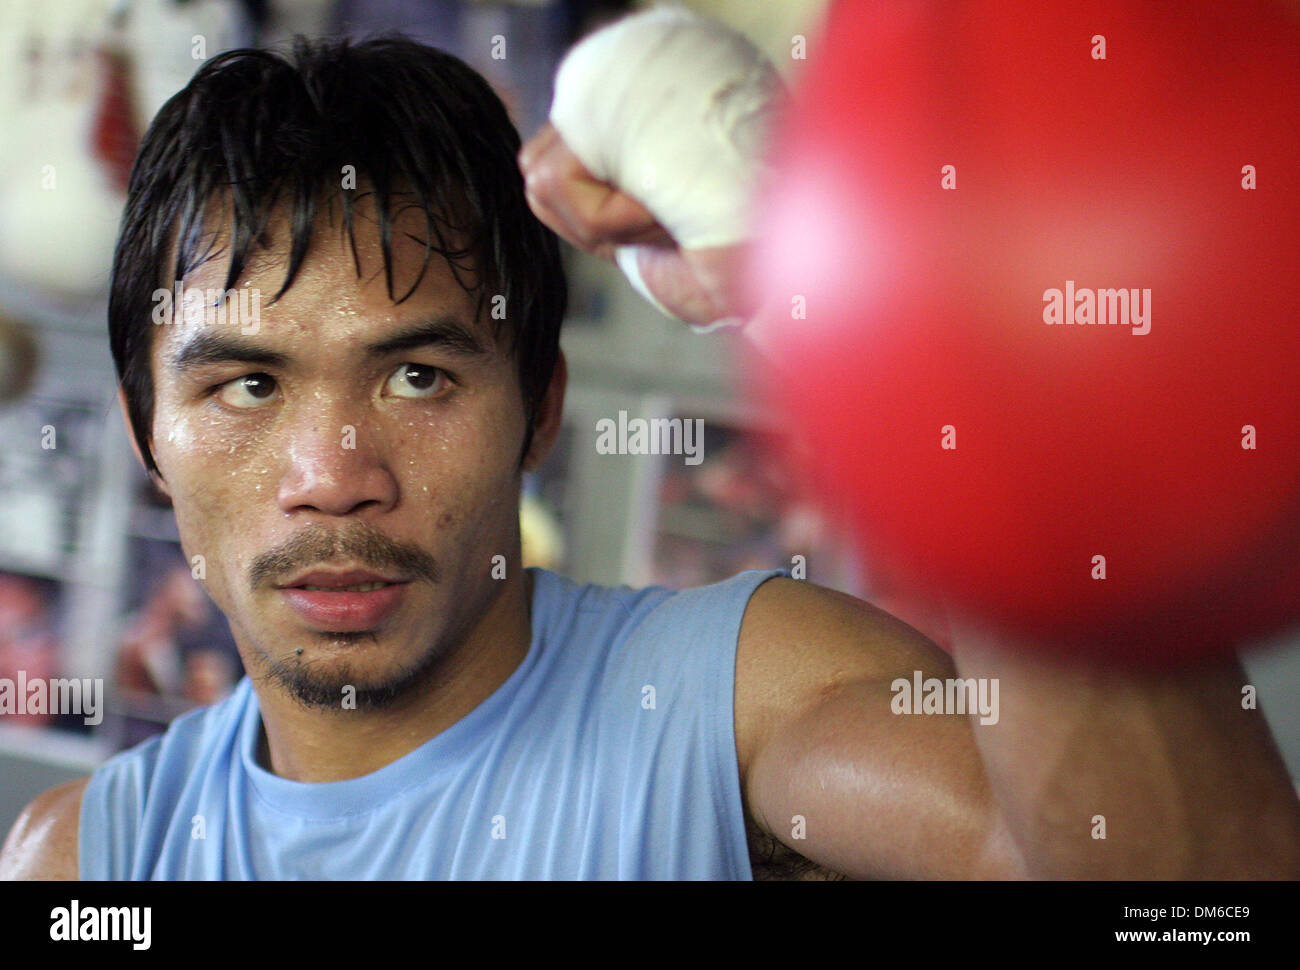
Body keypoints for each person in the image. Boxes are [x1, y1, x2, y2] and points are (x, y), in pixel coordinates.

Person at [2, 30, 1297, 881]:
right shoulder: (86, 866)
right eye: (246, 383)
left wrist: (925, 323)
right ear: (145, 437)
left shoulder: (730, 697)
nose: (334, 471)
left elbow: (1194, 886)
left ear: (541, 407)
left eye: (418, 374)